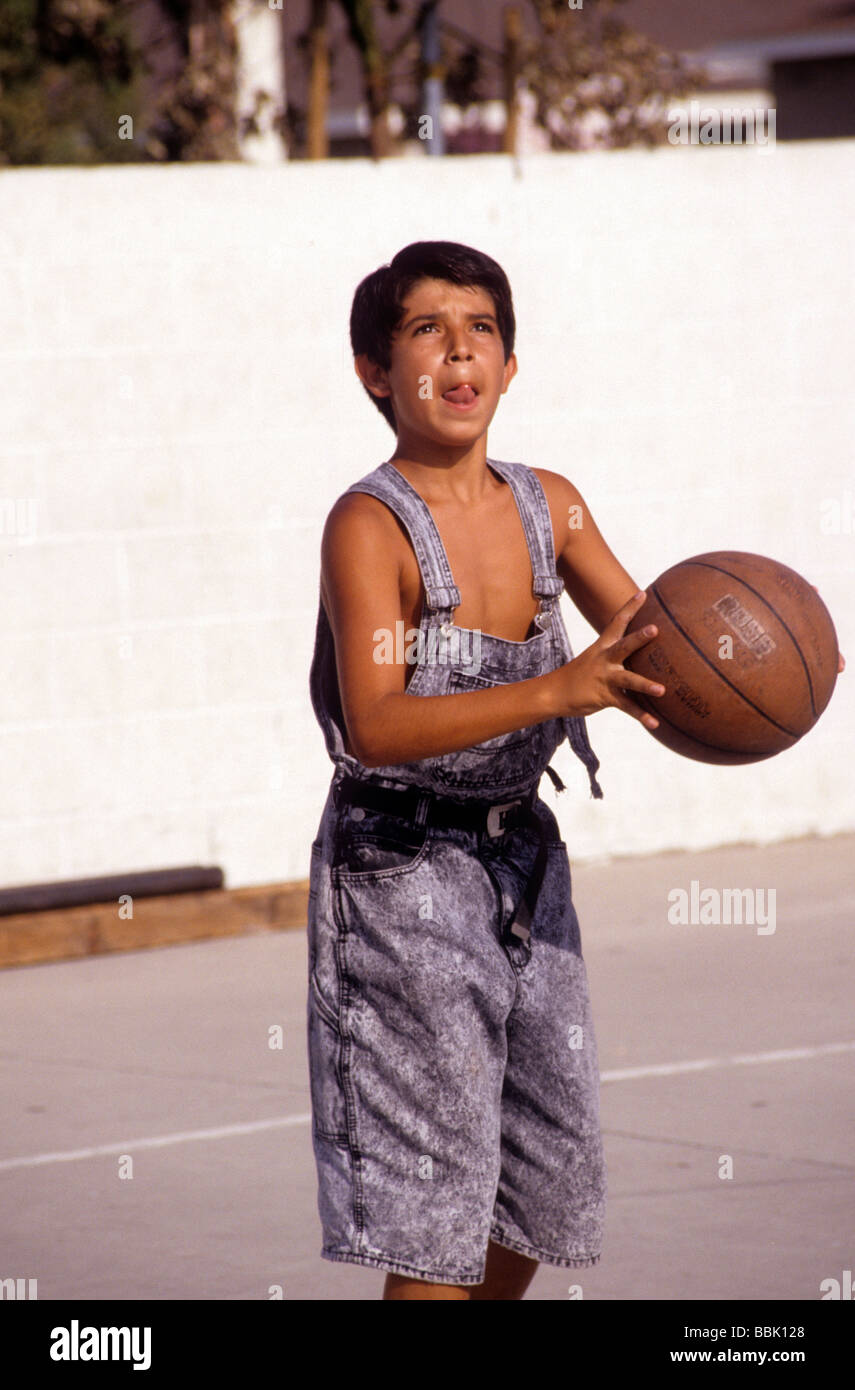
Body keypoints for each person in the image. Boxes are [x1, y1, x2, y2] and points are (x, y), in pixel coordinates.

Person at [306, 240, 666, 1301]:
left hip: (524, 861)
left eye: (483, 330)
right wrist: (559, 690)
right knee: (438, 1210)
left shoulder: (551, 505)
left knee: (548, 1183)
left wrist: (765, 670)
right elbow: (375, 722)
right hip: (401, 868)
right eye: (428, 331)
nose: (459, 352)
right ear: (378, 371)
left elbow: (654, 644)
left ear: (510, 366)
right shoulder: (371, 525)